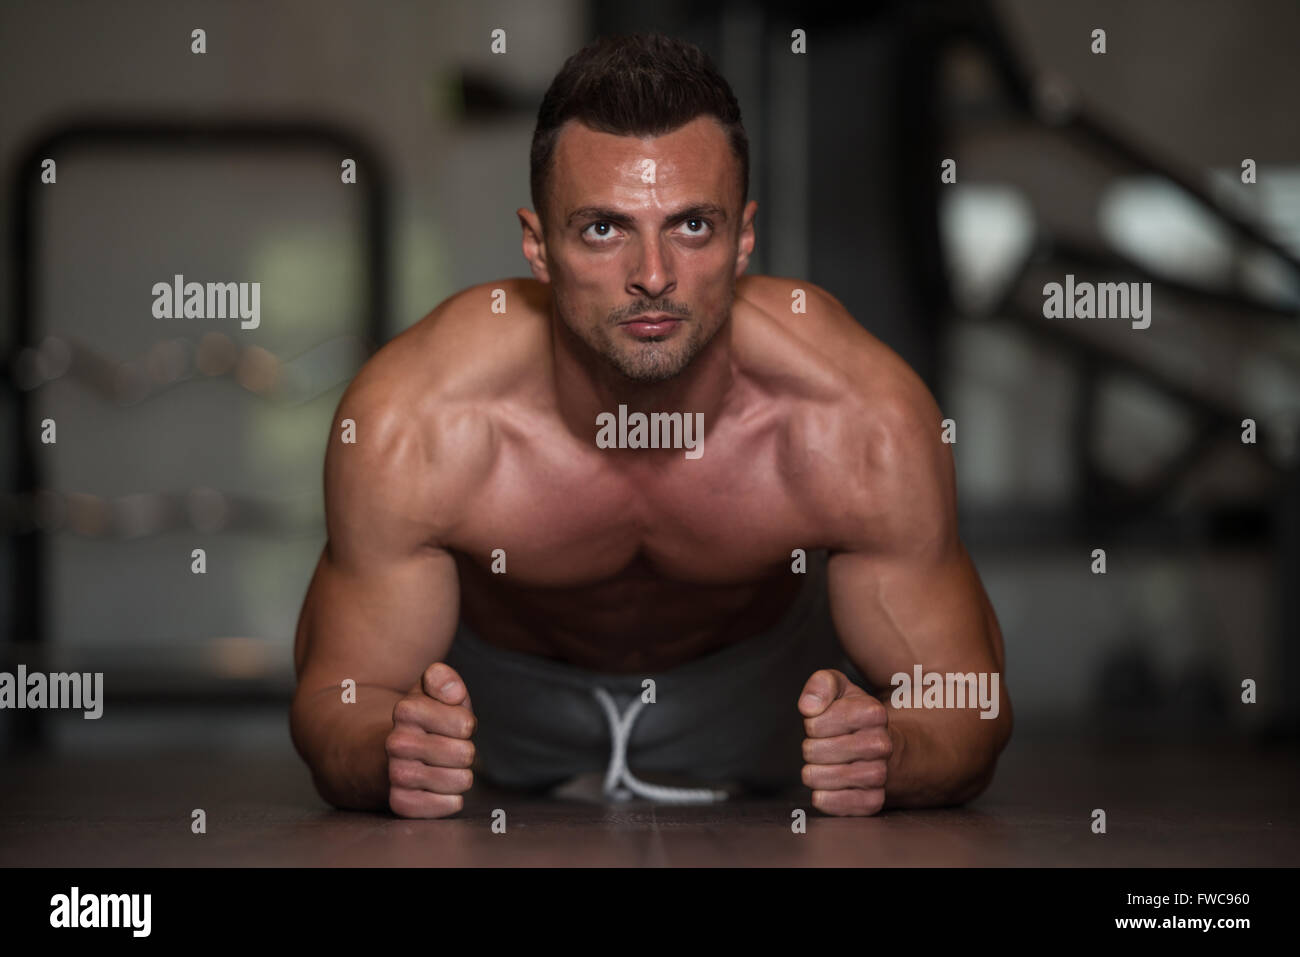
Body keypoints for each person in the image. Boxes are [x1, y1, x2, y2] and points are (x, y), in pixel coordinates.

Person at [290, 33, 1011, 819]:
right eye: (604, 229)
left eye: (693, 226)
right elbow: (339, 693)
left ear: (744, 238)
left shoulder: (859, 419)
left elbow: (965, 698)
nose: (654, 276)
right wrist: (387, 749)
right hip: (498, 725)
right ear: (538, 245)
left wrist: (892, 751)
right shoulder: (415, 418)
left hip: (759, 722)